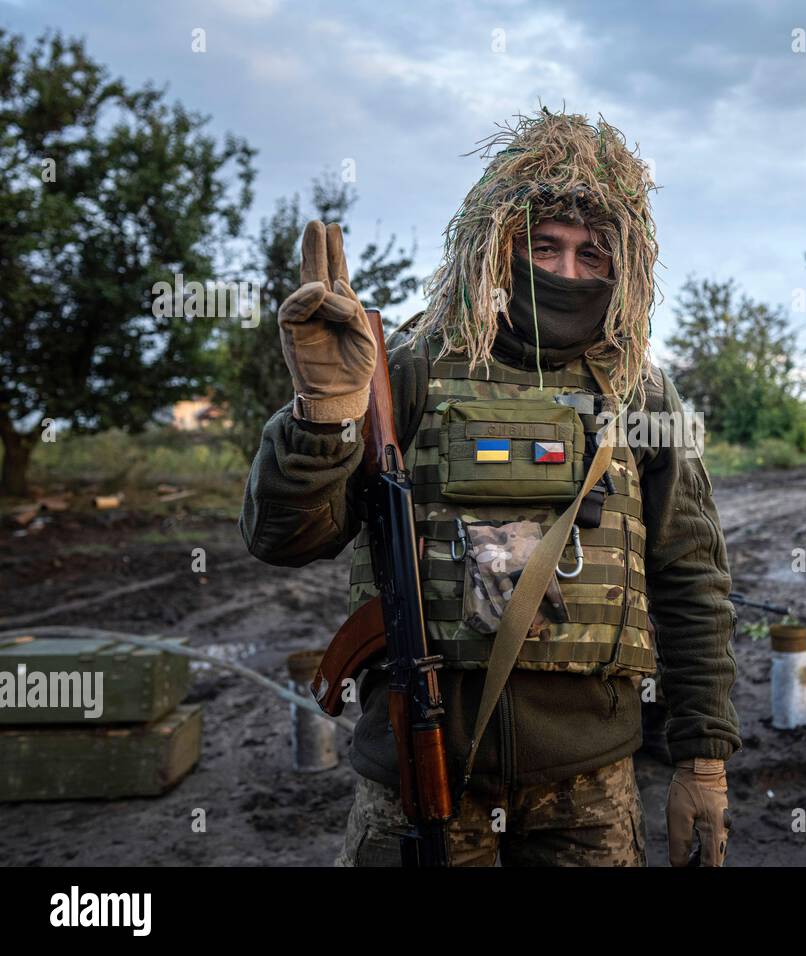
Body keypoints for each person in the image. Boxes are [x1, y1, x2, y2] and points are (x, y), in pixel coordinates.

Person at [240, 109, 739, 865]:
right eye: (544, 247)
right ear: (497, 246)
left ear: (624, 267)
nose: (566, 272)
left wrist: (703, 761)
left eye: (591, 254)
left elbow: (692, 577)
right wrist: (324, 415)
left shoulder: (641, 395)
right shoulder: (403, 366)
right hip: (419, 762)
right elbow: (285, 537)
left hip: (590, 786)